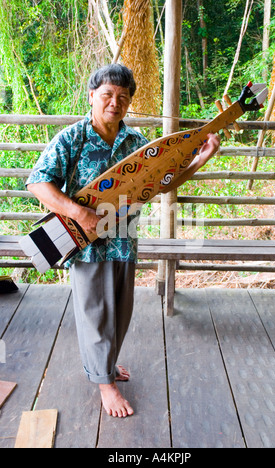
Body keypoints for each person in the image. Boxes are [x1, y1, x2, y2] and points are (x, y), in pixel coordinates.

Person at [26, 64, 220, 418]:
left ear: (129, 103)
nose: (115, 103)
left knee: (121, 313)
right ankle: (105, 385)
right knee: (96, 315)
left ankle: (107, 365)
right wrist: (78, 212)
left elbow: (163, 183)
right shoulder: (72, 138)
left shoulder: (135, 144)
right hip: (86, 244)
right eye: (107, 96)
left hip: (124, 241)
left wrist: (200, 159)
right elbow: (38, 182)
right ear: (92, 97)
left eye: (123, 98)